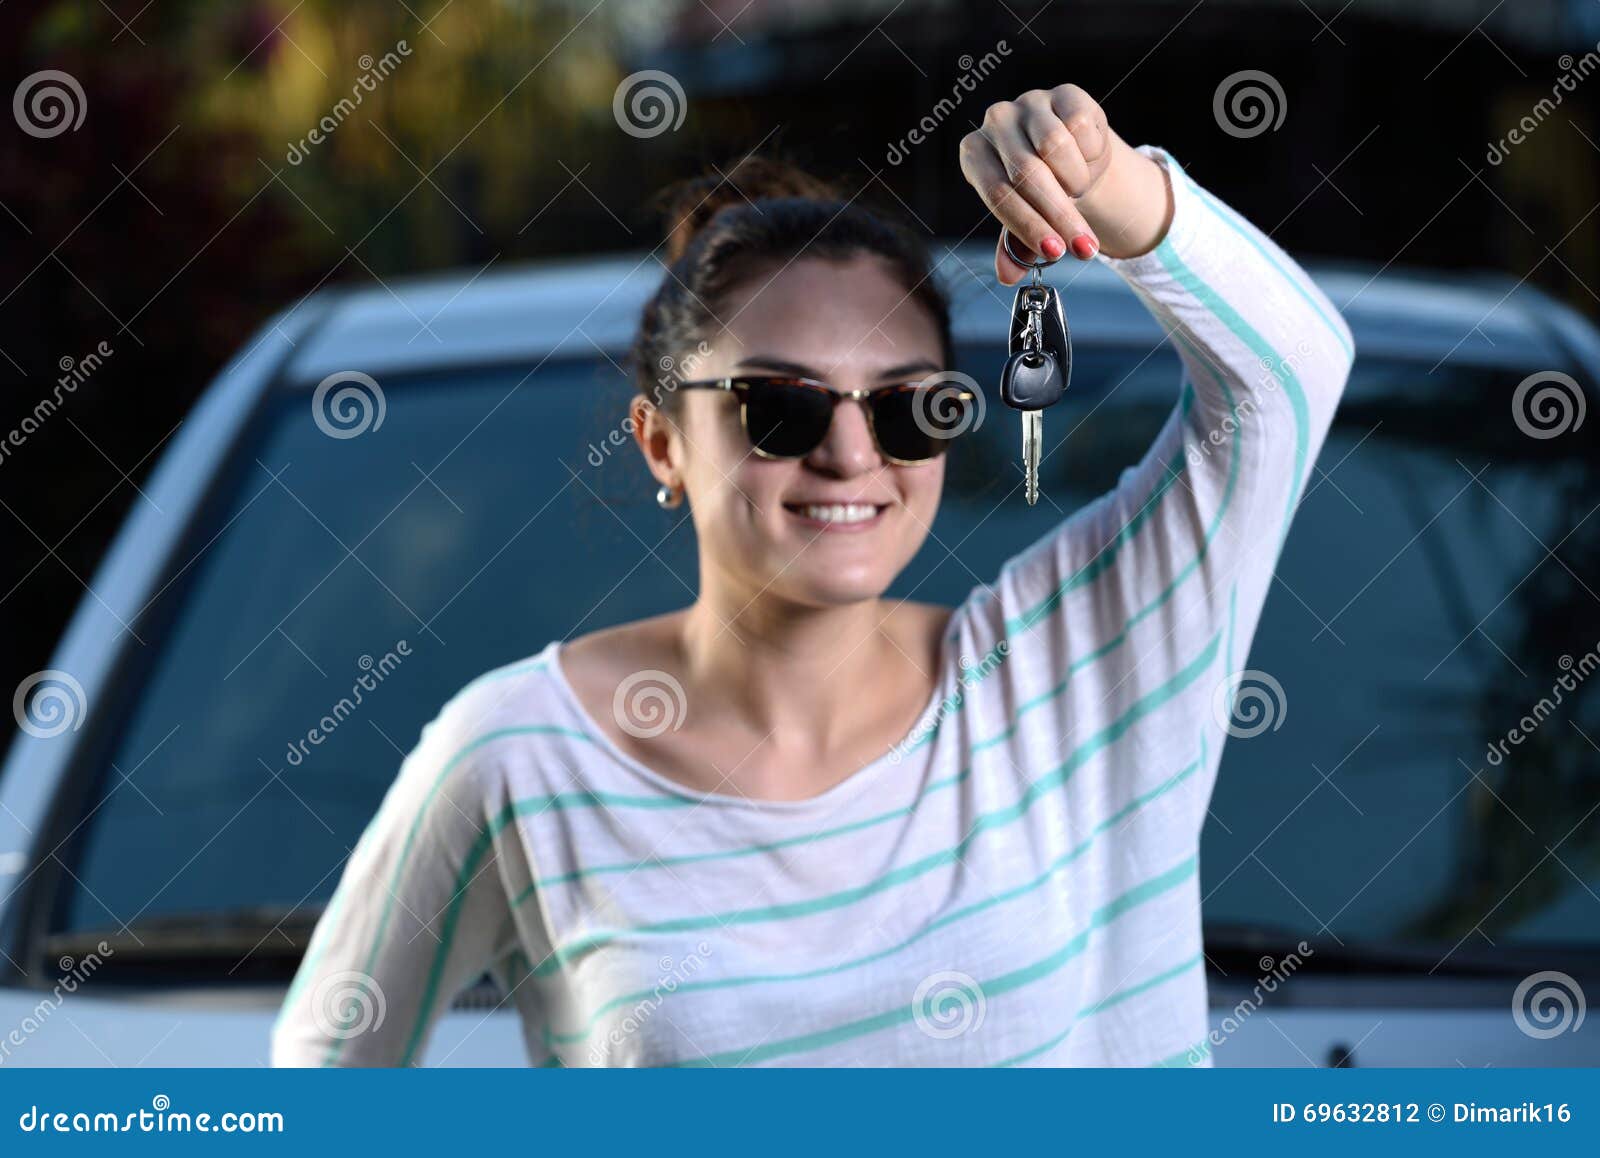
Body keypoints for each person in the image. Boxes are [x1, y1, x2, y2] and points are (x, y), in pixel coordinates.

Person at [271, 83, 1355, 1067]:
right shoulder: (512, 754)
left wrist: (1101, 180)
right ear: (659, 442)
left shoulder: (1070, 663)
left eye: (904, 407)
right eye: (778, 408)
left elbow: (1290, 371)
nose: (850, 454)